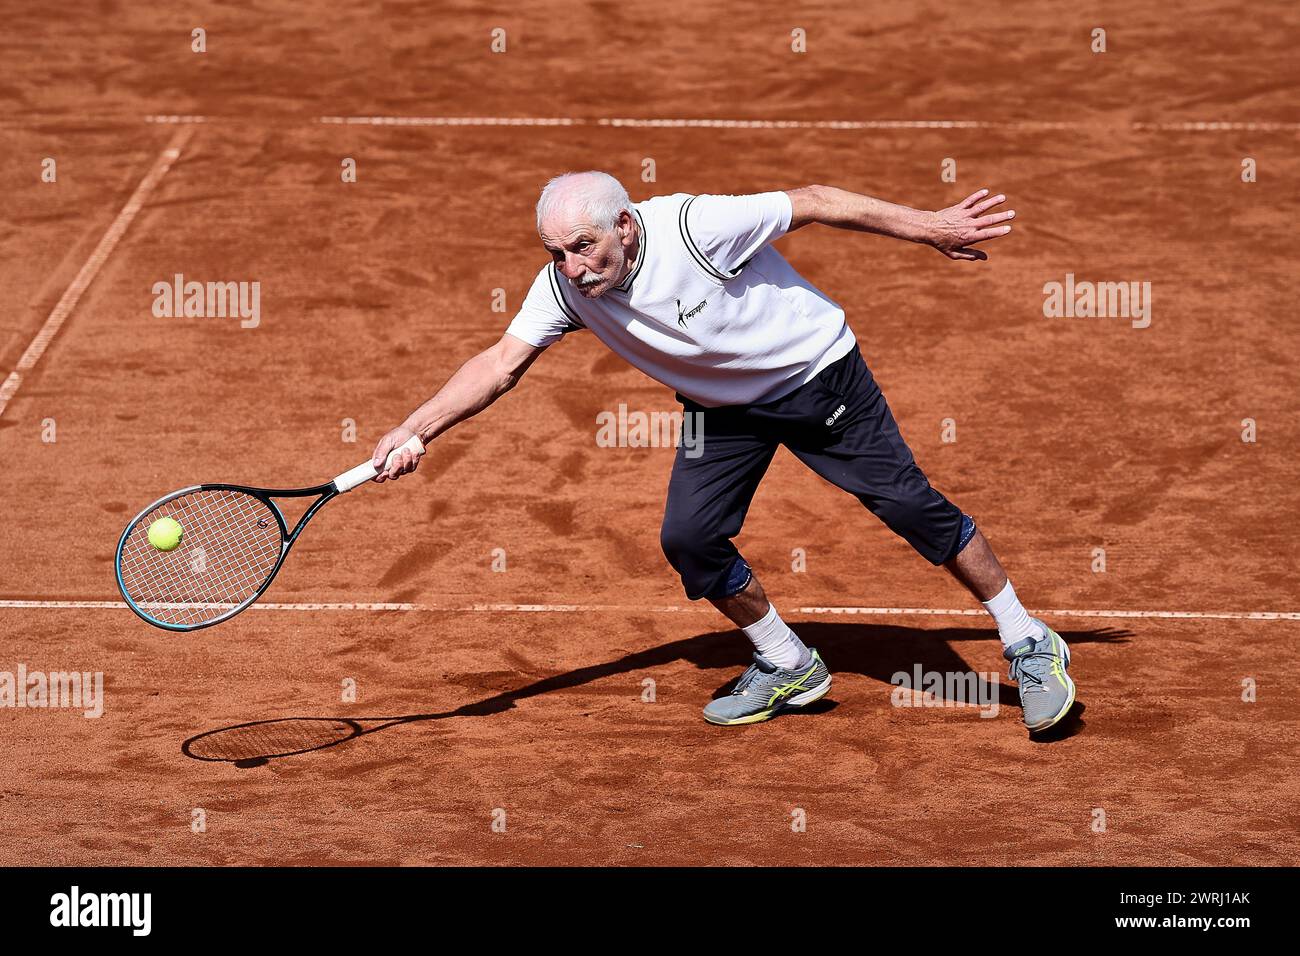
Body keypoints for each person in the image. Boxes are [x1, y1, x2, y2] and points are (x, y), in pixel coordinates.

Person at [370, 171, 1075, 733]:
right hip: (722, 408)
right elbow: (499, 364)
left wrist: (932, 228)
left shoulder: (696, 227)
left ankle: (1028, 639)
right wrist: (416, 428)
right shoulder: (565, 288)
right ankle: (787, 662)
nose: (572, 267)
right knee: (690, 537)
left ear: (624, 224)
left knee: (907, 506)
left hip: (814, 374)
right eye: (556, 252)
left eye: (582, 247)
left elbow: (817, 199)